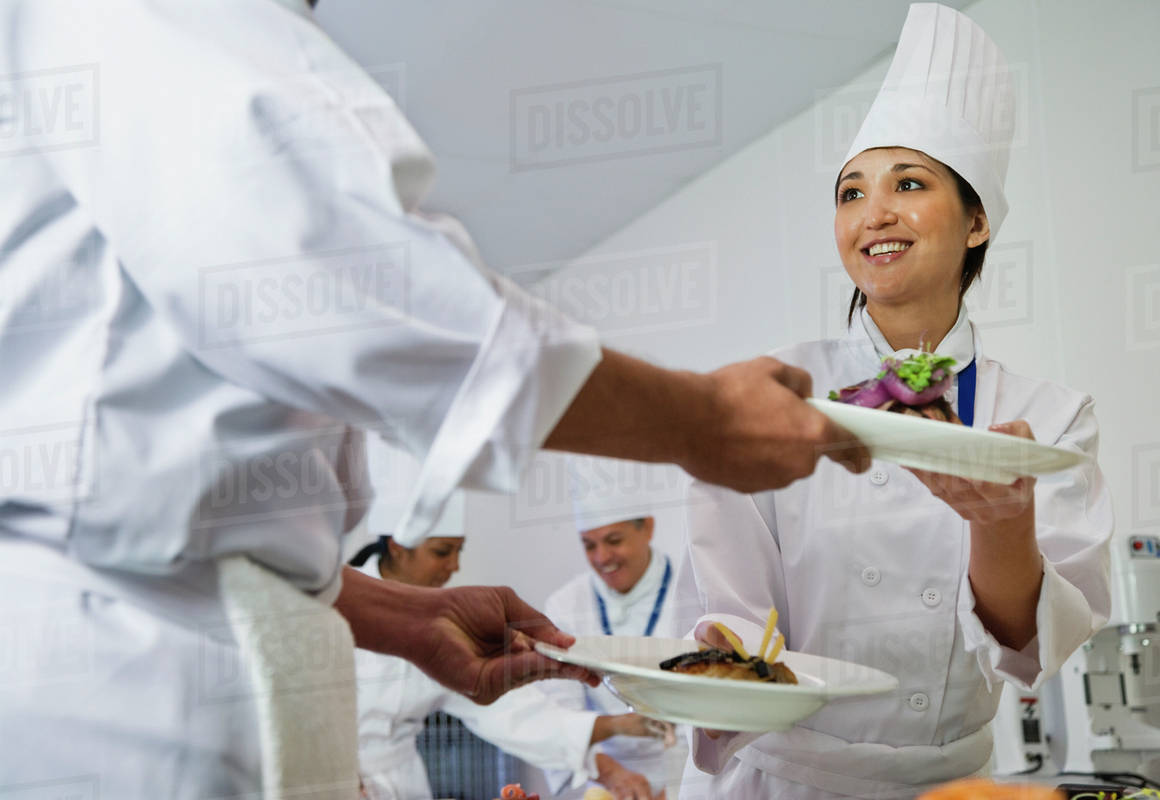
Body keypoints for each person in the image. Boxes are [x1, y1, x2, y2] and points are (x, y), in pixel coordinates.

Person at [0, 2, 872, 798]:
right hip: (129, 688)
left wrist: (404, 619)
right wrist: (702, 420)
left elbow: (169, 466)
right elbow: (334, 288)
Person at [674, 4, 1114, 798]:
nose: (873, 213)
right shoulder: (772, 393)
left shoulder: (1047, 419)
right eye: (851, 193)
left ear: (977, 222)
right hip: (786, 783)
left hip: (951, 785)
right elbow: (729, 615)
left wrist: (1001, 525)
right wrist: (704, 668)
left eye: (908, 184)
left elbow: (1031, 652)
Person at [349, 527, 668, 800]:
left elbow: (510, 712)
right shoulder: (330, 605)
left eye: (459, 551)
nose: (455, 566)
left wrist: (608, 756)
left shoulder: (443, 625)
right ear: (397, 548)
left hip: (402, 784)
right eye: (442, 551)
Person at [539, 479, 691, 800]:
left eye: (614, 540)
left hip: (690, 771)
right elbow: (554, 711)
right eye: (588, 545)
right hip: (604, 774)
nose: (602, 557)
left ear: (647, 528)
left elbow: (717, 702)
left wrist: (681, 786)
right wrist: (606, 770)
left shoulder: (692, 591)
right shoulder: (565, 605)